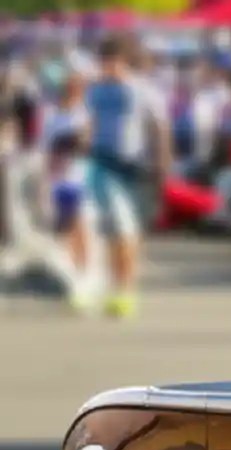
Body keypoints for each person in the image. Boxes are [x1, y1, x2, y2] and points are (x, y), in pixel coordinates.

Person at [83, 35, 170, 319]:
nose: (106, 67)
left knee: (131, 232)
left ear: (123, 62)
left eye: (111, 62)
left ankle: (127, 287)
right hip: (104, 163)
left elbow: (160, 127)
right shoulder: (96, 91)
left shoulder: (143, 90)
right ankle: (119, 288)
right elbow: (88, 123)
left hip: (137, 167)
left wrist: (162, 164)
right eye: (102, 62)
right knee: (117, 229)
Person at [41, 72, 90, 298]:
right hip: (57, 181)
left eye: (76, 88)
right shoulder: (52, 116)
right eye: (69, 88)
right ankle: (72, 274)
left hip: (79, 178)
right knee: (64, 230)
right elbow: (46, 148)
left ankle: (83, 275)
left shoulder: (85, 114)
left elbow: (86, 142)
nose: (72, 92)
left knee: (78, 226)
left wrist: (73, 142)